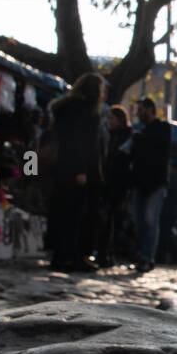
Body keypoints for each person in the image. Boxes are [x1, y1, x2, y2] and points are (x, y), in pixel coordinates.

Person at [47, 73, 104, 272]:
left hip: (61, 168)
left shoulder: (65, 108)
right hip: (78, 170)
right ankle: (72, 256)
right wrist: (81, 169)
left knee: (63, 212)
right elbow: (80, 141)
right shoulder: (83, 110)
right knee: (77, 215)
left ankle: (61, 255)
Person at [128, 97, 172, 272]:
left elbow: (157, 151)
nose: (138, 114)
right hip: (139, 182)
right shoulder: (140, 132)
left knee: (150, 220)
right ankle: (141, 255)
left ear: (149, 109)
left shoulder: (162, 128)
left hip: (156, 183)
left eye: (140, 110)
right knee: (139, 222)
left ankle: (147, 257)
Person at [96, 104, 132, 266]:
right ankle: (103, 251)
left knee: (112, 218)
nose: (108, 121)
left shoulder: (125, 137)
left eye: (111, 118)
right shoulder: (108, 136)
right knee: (105, 218)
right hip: (107, 181)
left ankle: (108, 251)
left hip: (118, 183)